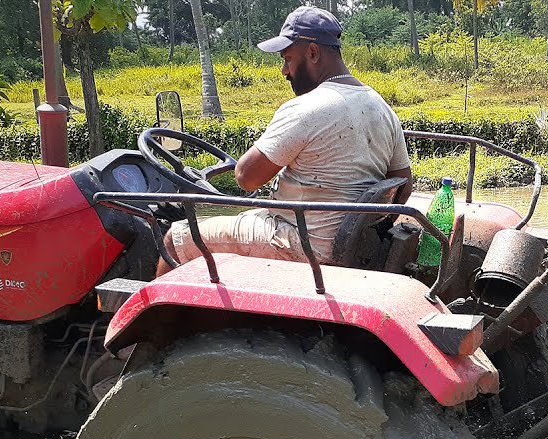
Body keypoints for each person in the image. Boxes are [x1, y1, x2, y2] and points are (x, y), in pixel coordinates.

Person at [162, 6, 413, 271]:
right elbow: (404, 186)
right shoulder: (381, 107)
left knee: (175, 239)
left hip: (299, 241)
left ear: (313, 53)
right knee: (244, 218)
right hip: (351, 244)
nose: (285, 70)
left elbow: (246, 178)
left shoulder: (306, 108)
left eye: (288, 58)